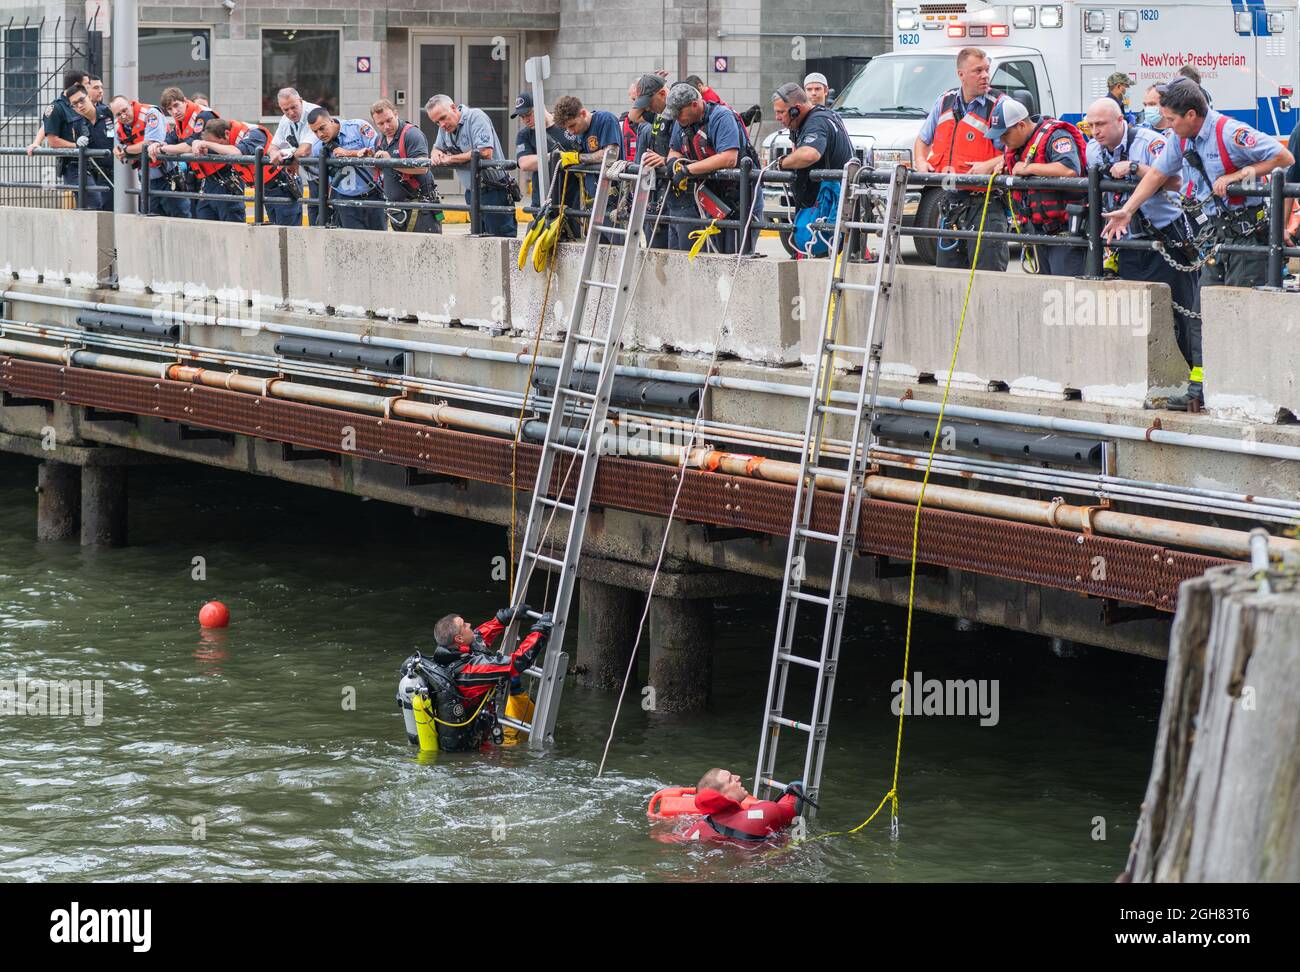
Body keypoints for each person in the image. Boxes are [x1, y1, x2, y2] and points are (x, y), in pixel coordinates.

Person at [1103, 79, 1293, 408]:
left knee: (1237, 315)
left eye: (1172, 119)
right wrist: (1127, 210)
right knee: (1201, 315)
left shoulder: (1229, 132)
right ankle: (1200, 390)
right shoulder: (1182, 138)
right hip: (1216, 239)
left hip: (1248, 238)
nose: (1168, 126)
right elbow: (1157, 174)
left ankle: (1242, 394)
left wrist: (1239, 175)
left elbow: (1282, 156)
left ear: (1191, 114)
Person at [1086, 97, 1202, 411]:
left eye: (1101, 124)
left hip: (1166, 239)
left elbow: (1178, 181)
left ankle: (1198, 382)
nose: (1095, 131)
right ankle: (1143, 383)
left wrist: (1136, 168)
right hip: (1128, 243)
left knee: (1184, 313)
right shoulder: (1093, 150)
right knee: (1137, 316)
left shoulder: (1149, 143)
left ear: (1120, 121)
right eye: (1090, 125)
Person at [401, 605, 553, 752]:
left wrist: (502, 618)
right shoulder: (471, 670)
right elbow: (518, 661)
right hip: (474, 747)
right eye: (464, 625)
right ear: (459, 638)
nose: (469, 624)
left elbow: (479, 637)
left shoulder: (447, 654)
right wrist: (541, 631)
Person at [913, 47, 1009, 271]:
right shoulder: (945, 101)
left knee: (988, 276)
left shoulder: (1000, 106)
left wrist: (988, 165)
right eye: (978, 70)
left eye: (987, 69)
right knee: (949, 276)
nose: (985, 75)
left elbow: (1015, 154)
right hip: (950, 202)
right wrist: (921, 161)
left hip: (985, 204)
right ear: (961, 74)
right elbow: (922, 140)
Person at [985, 98, 1088, 278]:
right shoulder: (1018, 145)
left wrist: (1029, 168)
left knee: (1066, 292)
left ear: (1021, 125)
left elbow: (1070, 170)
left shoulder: (1056, 136)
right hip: (1038, 233)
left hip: (1064, 234)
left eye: (1005, 134)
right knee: (1046, 292)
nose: (1002, 140)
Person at [664, 82, 763, 255]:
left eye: (679, 113)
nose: (677, 118)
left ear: (694, 104)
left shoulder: (721, 117)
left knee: (736, 259)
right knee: (714, 260)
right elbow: (675, 150)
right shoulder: (682, 123)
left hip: (740, 200)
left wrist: (688, 170)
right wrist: (673, 162)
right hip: (712, 201)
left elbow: (729, 158)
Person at [772, 81, 854, 258]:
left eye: (781, 112)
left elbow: (810, 154)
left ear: (796, 109)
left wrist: (781, 163)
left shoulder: (817, 122)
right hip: (820, 203)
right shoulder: (810, 119)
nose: (777, 118)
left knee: (816, 252)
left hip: (825, 207)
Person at [425, 94, 518, 238]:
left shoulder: (475, 117)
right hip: (472, 192)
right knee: (478, 240)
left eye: (443, 118)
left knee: (501, 242)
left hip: (494, 189)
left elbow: (485, 152)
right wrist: (435, 154)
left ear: (453, 108)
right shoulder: (444, 128)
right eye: (437, 122)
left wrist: (450, 159)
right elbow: (437, 148)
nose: (441, 125)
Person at [189, 118, 290, 224]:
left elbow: (237, 152)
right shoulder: (228, 139)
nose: (217, 148)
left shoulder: (255, 134)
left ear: (227, 134)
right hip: (265, 188)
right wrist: (197, 142)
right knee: (276, 228)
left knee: (287, 228)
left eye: (218, 144)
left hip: (281, 184)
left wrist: (207, 144)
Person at [513, 90, 581, 237]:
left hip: (571, 199)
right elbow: (524, 163)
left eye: (528, 114)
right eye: (522, 117)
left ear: (539, 107)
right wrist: (555, 157)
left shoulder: (565, 125)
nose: (525, 120)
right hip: (542, 200)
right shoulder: (525, 135)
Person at [111, 95, 191, 218]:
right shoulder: (118, 126)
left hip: (167, 175)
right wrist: (118, 151)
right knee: (149, 219)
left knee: (180, 217)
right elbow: (118, 149)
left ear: (131, 105)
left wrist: (126, 150)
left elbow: (151, 143)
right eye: (118, 114)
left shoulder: (150, 113)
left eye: (124, 110)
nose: (123, 116)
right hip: (145, 178)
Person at [678, 769, 808, 843]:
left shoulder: (698, 827)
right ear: (723, 796)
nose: (738, 777)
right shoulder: (764, 811)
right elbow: (792, 808)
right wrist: (795, 785)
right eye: (730, 779)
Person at [307, 108, 386, 231]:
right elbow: (325, 179)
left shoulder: (358, 127)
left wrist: (349, 153)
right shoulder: (318, 147)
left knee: (381, 241)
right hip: (345, 200)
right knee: (353, 244)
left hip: (373, 194)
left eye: (322, 128)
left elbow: (377, 153)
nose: (320, 134)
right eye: (315, 131)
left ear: (331, 120)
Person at [370, 98, 441, 233]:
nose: (386, 126)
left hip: (420, 207)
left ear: (396, 114)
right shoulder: (379, 140)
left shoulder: (411, 134)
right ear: (375, 123)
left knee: (425, 251)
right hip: (397, 209)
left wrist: (390, 162)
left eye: (389, 120)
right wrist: (369, 157)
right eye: (380, 123)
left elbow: (422, 167)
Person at [551, 94, 624, 220]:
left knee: (618, 240)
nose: (571, 131)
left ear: (583, 113)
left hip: (614, 198)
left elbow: (610, 156)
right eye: (567, 128)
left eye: (572, 125)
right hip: (594, 198)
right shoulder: (580, 132)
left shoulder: (606, 120)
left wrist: (577, 158)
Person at [155, 86, 223, 219]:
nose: (174, 111)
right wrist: (158, 144)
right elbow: (171, 138)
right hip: (202, 176)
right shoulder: (181, 121)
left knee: (228, 220)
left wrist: (163, 148)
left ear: (185, 101)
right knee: (200, 219)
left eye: (176, 105)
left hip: (220, 176)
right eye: (169, 109)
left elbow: (190, 145)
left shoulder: (203, 115)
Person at [630, 74, 681, 248]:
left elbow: (685, 151)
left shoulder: (678, 113)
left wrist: (664, 159)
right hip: (659, 184)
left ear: (661, 94)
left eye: (649, 103)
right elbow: (633, 116)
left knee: (675, 247)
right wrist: (645, 85)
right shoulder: (659, 113)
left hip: (677, 184)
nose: (648, 109)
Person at [272, 88, 323, 224]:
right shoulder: (285, 120)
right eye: (285, 109)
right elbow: (273, 147)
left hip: (328, 177)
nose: (291, 112)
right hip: (312, 177)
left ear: (300, 101)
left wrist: (290, 159)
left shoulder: (314, 113)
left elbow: (305, 150)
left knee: (326, 218)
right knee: (314, 216)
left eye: (293, 107)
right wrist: (276, 155)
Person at [63, 84, 114, 211]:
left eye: (81, 100)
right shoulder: (77, 124)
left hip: (122, 171)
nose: (79, 106)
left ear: (89, 97)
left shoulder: (108, 113)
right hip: (102, 175)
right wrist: (79, 145)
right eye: (75, 104)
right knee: (105, 210)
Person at [26, 69, 88, 157]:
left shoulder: (86, 101)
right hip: (70, 162)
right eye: (86, 84)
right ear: (76, 85)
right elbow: (51, 132)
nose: (89, 87)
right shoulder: (57, 107)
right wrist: (80, 146)